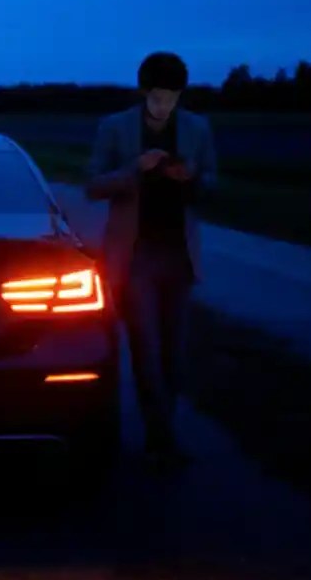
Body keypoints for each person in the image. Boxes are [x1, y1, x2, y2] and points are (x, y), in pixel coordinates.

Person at [84, 52, 218, 469]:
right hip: (135, 257)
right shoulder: (115, 127)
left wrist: (192, 177)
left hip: (178, 255)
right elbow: (92, 185)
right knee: (146, 347)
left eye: (172, 96)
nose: (165, 104)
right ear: (144, 91)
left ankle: (163, 429)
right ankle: (161, 439)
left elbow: (213, 183)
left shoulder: (196, 128)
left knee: (173, 353)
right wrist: (134, 170)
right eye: (158, 96)